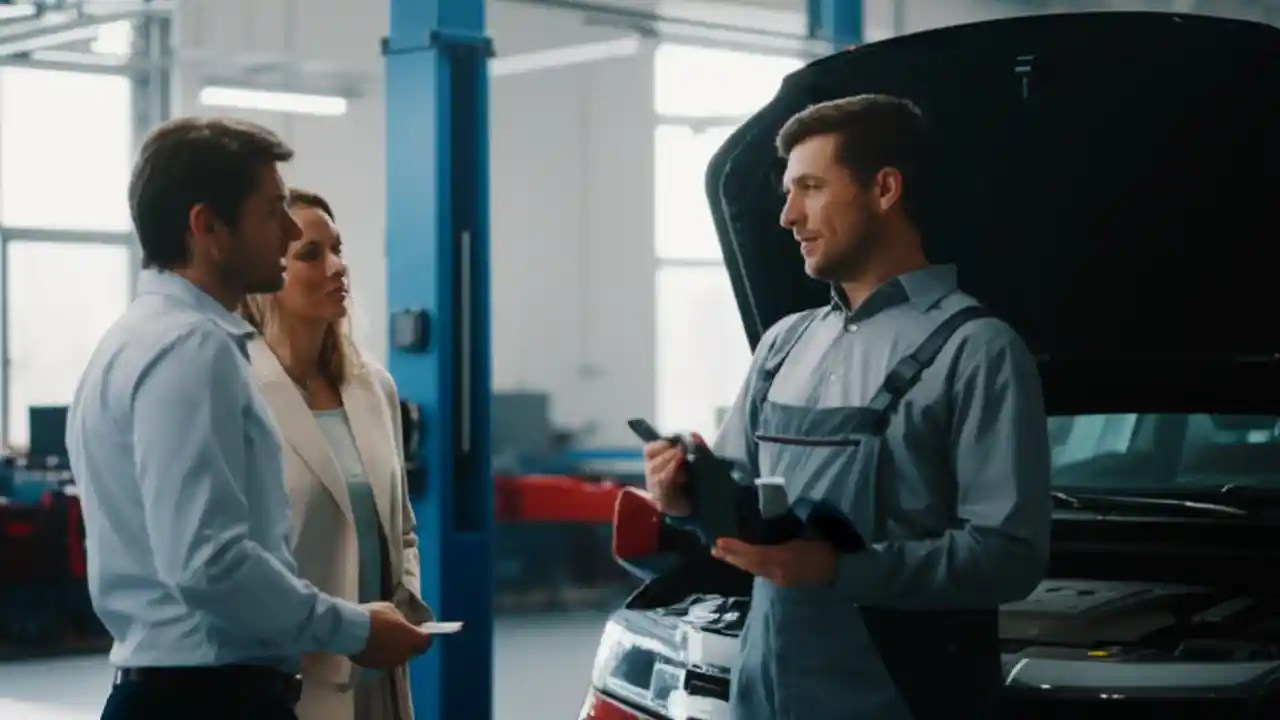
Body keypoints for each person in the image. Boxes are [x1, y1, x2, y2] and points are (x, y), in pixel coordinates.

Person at [642, 94, 1051, 720]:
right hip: (764, 690)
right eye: (787, 191)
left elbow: (1007, 557)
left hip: (903, 698)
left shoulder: (976, 350)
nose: (786, 216)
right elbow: (744, 520)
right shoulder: (783, 344)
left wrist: (841, 569)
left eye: (809, 187)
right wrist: (686, 503)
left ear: (884, 189)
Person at [65, 117, 433, 720]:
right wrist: (354, 628)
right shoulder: (192, 349)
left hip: (180, 689)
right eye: (274, 213)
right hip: (207, 697)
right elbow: (209, 564)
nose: (288, 230)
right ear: (207, 227)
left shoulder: (130, 341)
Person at [240, 188, 430, 720]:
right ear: (265, 277)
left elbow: (403, 529)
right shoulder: (241, 392)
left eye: (338, 249)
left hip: (381, 670)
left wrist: (403, 605)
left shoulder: (374, 389)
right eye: (311, 254)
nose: (338, 266)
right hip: (293, 677)